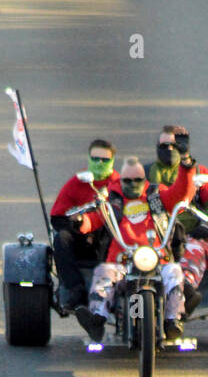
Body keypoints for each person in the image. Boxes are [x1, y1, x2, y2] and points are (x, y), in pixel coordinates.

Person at [75, 155, 195, 343]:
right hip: (122, 261)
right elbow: (97, 218)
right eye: (128, 180)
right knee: (104, 272)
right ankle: (96, 319)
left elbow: (181, 194)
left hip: (156, 259)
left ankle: (173, 320)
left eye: (137, 180)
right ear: (121, 181)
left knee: (174, 271)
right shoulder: (112, 200)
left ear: (144, 180)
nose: (133, 184)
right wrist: (83, 222)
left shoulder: (156, 197)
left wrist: (187, 169)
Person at [145, 125, 208, 316]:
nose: (170, 150)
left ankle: (183, 297)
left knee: (193, 254)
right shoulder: (143, 174)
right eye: (165, 145)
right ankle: (129, 309)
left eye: (175, 145)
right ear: (157, 148)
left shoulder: (199, 172)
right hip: (153, 237)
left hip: (191, 235)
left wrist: (206, 223)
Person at [49, 139, 121, 313]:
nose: (99, 163)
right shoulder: (77, 182)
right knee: (61, 239)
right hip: (81, 238)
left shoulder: (119, 183)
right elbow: (57, 217)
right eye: (95, 159)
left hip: (110, 237)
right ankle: (75, 290)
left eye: (104, 160)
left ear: (112, 162)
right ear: (89, 159)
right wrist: (78, 226)